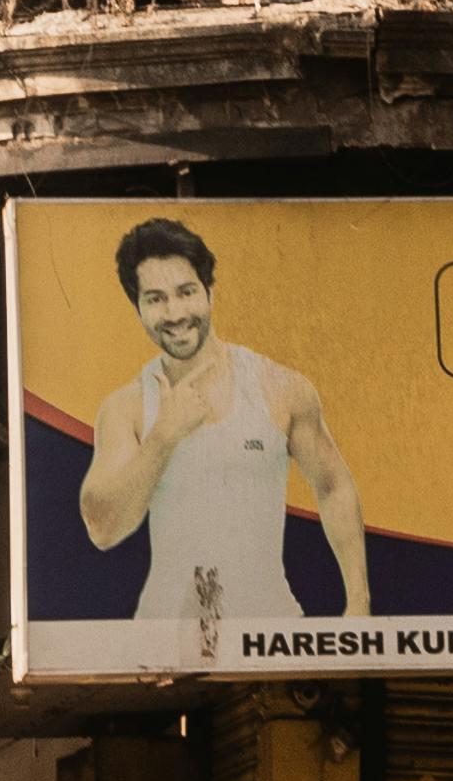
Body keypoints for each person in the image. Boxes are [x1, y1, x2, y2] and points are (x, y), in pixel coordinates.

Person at [77, 215, 369, 646]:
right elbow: (103, 528)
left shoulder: (278, 387)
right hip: (165, 642)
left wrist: (358, 603)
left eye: (186, 292)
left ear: (210, 292)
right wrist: (163, 437)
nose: (174, 314)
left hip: (269, 636)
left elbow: (333, 486)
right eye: (155, 299)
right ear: (137, 307)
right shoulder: (127, 408)